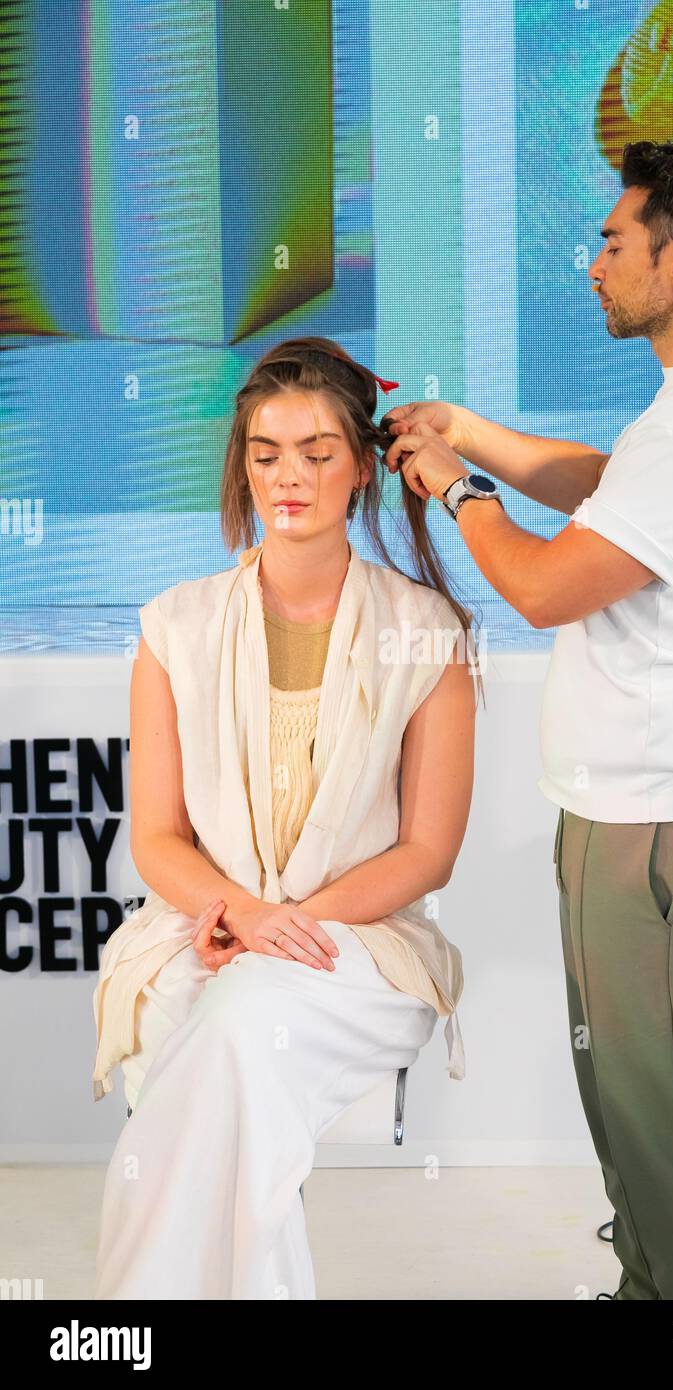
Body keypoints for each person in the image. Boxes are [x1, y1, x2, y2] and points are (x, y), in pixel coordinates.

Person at [380, 140, 673, 1300]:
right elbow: (607, 482)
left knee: (666, 1132)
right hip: (627, 816)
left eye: (610, 245)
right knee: (631, 1123)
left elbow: (544, 587)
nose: (591, 265)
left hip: (669, 823)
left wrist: (456, 489)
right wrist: (469, 431)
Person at [92, 338, 478, 1299]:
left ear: (360, 466)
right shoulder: (171, 627)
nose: (288, 477)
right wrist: (244, 916)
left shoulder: (429, 633)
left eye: (315, 451)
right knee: (214, 1022)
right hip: (212, 927)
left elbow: (427, 852)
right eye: (266, 454)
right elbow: (157, 840)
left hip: (364, 945)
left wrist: (286, 930)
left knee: (240, 1016)